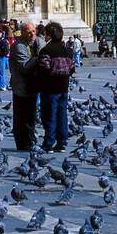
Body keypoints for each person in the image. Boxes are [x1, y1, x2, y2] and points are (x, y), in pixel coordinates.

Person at [24, 22, 74, 153]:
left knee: (49, 115)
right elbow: (72, 68)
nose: (44, 36)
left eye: (46, 33)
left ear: (50, 35)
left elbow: (43, 68)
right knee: (62, 115)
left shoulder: (47, 50)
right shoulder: (67, 51)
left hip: (50, 88)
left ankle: (49, 143)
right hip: (64, 88)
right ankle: (62, 143)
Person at [9, 23, 39, 150]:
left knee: (30, 115)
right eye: (29, 32)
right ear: (22, 33)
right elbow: (25, 66)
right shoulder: (18, 47)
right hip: (21, 87)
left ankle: (29, 139)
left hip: (31, 86)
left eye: (33, 31)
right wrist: (39, 58)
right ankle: (23, 142)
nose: (32, 34)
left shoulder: (35, 44)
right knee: (22, 115)